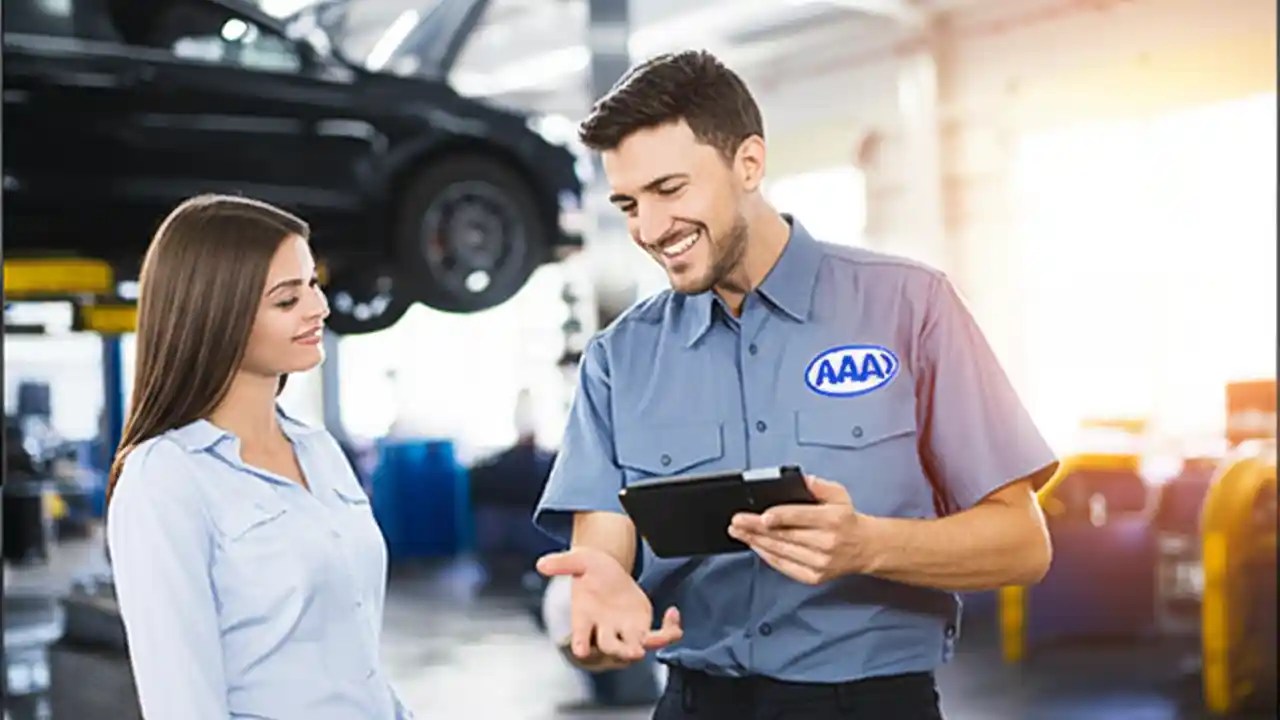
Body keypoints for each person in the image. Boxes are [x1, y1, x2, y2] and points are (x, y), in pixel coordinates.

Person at [532, 50, 1058, 719]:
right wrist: (596, 623)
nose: (650, 229)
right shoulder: (619, 359)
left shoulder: (909, 307)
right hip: (697, 703)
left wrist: (869, 544)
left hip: (871, 704)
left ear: (749, 163)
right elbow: (600, 559)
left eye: (671, 190)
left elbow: (1021, 544)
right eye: (629, 203)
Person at [105, 194, 413, 720]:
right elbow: (183, 703)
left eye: (313, 285)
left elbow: (354, 658)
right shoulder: (165, 478)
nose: (319, 308)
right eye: (286, 300)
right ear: (216, 314)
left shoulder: (318, 450)